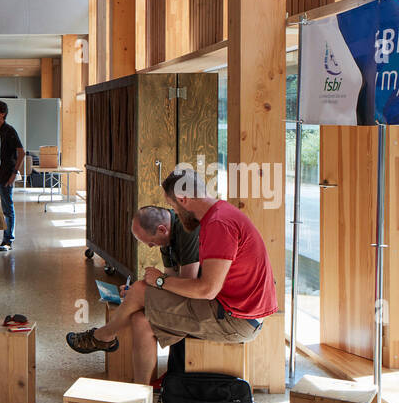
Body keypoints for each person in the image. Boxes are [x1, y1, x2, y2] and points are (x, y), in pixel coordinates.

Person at [66, 165, 277, 385]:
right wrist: (158, 284)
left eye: (172, 206)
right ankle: (143, 396)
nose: (174, 212)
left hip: (236, 319)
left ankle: (104, 337)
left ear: (183, 199)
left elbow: (207, 289)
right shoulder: (219, 214)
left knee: (139, 290)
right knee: (140, 319)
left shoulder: (218, 224)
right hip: (232, 310)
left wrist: (159, 280)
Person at [132, 202, 199, 380]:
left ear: (162, 229)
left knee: (145, 313)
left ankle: (105, 336)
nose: (150, 247)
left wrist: (158, 283)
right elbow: (170, 280)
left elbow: (185, 283)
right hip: (194, 295)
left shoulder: (187, 229)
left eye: (151, 242)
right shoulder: (166, 240)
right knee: (137, 302)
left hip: (205, 298)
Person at [0, 100, 25, 252]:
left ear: (2, 114)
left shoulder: (9, 131)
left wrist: (14, 174)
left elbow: (21, 152)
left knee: (7, 208)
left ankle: (8, 240)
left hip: (5, 176)